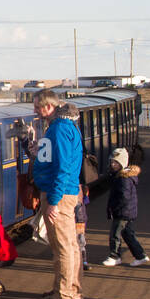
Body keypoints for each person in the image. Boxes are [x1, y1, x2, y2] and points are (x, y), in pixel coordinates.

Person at [31, 90, 84, 299]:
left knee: (62, 248)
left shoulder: (60, 129)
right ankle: (71, 290)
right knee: (70, 245)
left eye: (37, 106)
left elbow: (63, 167)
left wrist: (53, 200)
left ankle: (63, 296)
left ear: (48, 106)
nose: (34, 110)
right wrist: (38, 151)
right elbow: (54, 159)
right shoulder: (60, 127)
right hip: (64, 192)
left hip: (58, 195)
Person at [101, 147, 148, 267]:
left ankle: (114, 256)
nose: (113, 164)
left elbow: (124, 196)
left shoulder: (123, 179)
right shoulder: (122, 176)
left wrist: (116, 209)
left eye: (116, 162)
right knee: (128, 234)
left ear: (122, 163)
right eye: (112, 161)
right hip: (127, 211)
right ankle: (140, 255)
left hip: (122, 212)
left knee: (115, 234)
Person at [58, 103, 90, 271]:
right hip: (75, 197)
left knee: (72, 243)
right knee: (76, 241)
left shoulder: (63, 130)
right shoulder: (75, 131)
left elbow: (62, 166)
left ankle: (78, 268)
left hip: (69, 199)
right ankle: (80, 264)